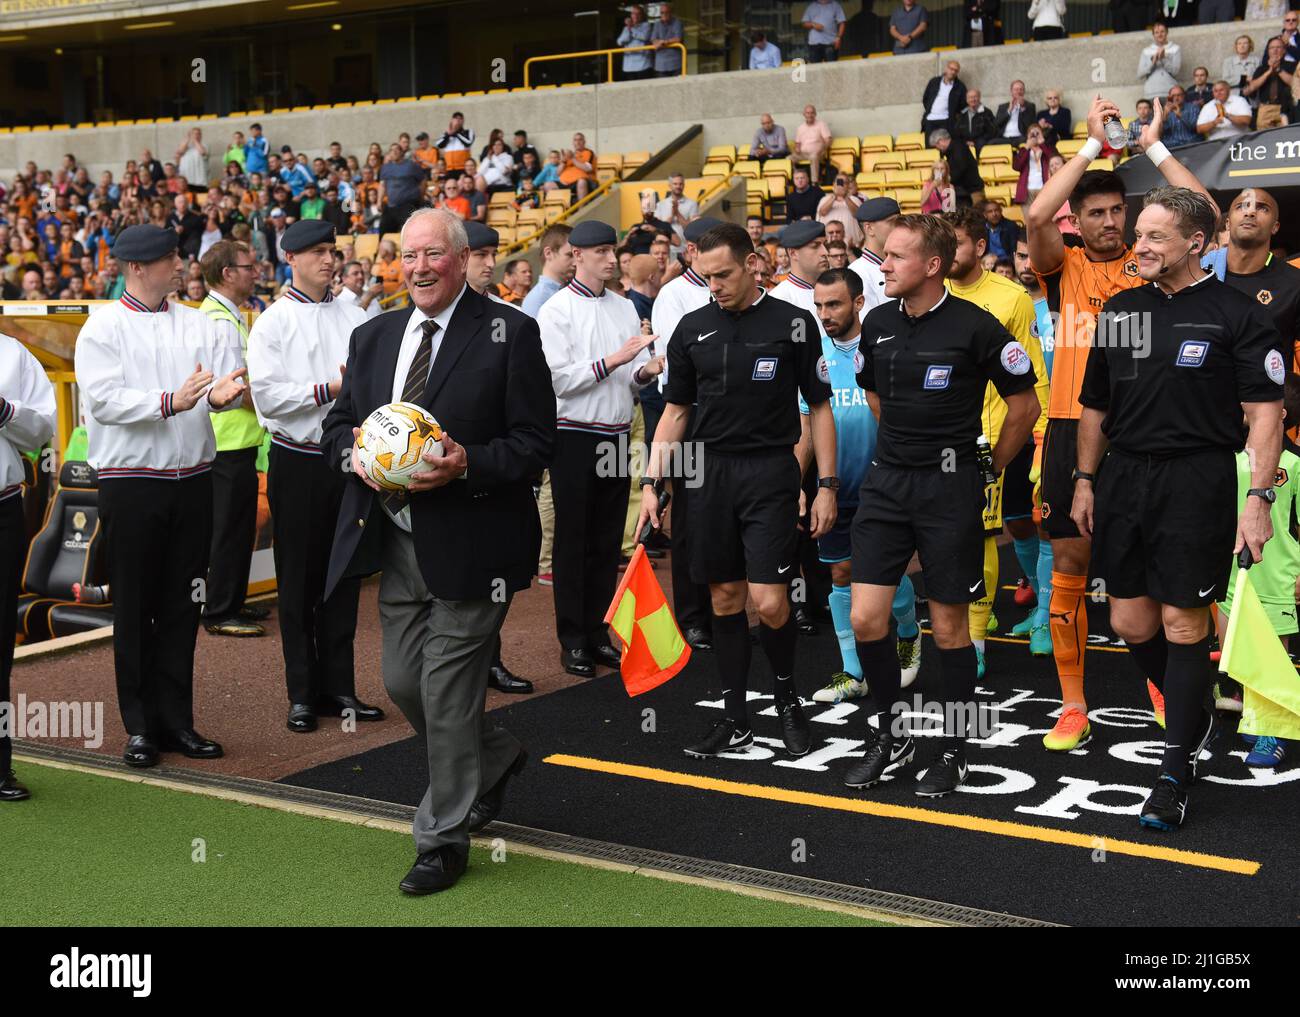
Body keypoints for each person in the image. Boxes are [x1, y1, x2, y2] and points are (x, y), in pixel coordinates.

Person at [322, 208, 554, 894]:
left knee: (447, 692)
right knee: (401, 681)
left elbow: (536, 442)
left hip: (477, 546)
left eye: (433, 255)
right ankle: (497, 753)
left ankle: (441, 839)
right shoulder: (373, 336)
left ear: (461, 259)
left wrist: (467, 463)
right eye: (408, 256)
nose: (419, 267)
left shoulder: (511, 332)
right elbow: (340, 424)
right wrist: (353, 457)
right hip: (397, 540)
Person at [1071, 186, 1283, 830]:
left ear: (1196, 243)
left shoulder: (1237, 312)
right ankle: (1192, 713)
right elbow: (1096, 406)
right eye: (1140, 234)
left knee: (1186, 624)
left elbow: (1266, 412)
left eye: (1156, 236)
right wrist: (1085, 480)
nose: (1141, 245)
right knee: (1134, 624)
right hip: (1124, 478)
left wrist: (1259, 497)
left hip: (1198, 480)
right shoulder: (1122, 310)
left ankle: (1173, 769)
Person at [1027, 94, 1215, 751]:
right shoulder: (1064, 268)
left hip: (1138, 437)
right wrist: (1089, 148)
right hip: (1066, 428)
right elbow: (1035, 213)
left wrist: (1153, 145)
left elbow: (1205, 215)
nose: (1109, 221)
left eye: (1117, 211)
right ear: (1077, 220)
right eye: (1096, 213)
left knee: (1152, 572)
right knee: (1069, 567)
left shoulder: (1151, 267)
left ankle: (1161, 684)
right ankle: (1073, 704)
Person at [844, 214, 1040, 794]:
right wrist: (901, 446)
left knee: (951, 628)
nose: (883, 266)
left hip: (949, 489)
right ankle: (891, 735)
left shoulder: (977, 327)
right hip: (885, 485)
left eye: (896, 258)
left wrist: (992, 467)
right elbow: (875, 393)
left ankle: (953, 750)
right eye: (884, 257)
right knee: (865, 618)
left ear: (931, 266)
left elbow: (1024, 407)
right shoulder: (876, 321)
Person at [637, 222, 838, 759]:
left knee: (771, 602)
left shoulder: (794, 322)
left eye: (723, 274)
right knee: (724, 599)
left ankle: (789, 702)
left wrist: (825, 485)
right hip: (707, 476)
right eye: (706, 277)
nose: (715, 286)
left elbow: (819, 406)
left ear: (752, 264)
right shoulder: (691, 328)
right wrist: (652, 482)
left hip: (771, 473)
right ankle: (735, 716)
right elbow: (675, 412)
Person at [74, 224, 248, 768]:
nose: (180, 264)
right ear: (135, 268)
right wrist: (172, 400)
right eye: (169, 258)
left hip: (192, 478)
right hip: (132, 480)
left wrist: (219, 398)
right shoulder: (102, 328)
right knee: (134, 604)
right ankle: (141, 726)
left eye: (176, 255)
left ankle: (177, 721)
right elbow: (104, 401)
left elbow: (212, 393)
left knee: (182, 603)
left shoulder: (196, 322)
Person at [247, 220, 382, 735]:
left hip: (347, 458)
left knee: (344, 576)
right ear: (291, 259)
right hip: (298, 459)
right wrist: (329, 389)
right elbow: (269, 397)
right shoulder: (273, 322)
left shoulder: (353, 312)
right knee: (300, 578)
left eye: (332, 250)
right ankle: (302, 693)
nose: (329, 260)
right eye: (318, 253)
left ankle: (340, 688)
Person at [538, 221, 663, 677]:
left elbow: (625, 381)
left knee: (606, 540)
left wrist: (645, 371)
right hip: (572, 436)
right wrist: (618, 359)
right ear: (576, 255)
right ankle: (572, 639)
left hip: (613, 431)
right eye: (603, 252)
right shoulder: (555, 311)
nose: (612, 260)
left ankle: (596, 632)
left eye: (613, 251)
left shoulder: (624, 306)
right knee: (573, 541)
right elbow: (558, 380)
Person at [800, 269, 925, 705]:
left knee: (881, 573)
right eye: (818, 306)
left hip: (882, 484)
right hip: (833, 487)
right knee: (840, 572)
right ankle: (853, 672)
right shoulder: (814, 356)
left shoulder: (882, 348)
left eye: (833, 304)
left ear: (857, 303)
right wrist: (799, 482)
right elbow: (805, 426)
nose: (824, 314)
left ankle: (909, 634)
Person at [943, 206, 1050, 677]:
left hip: (998, 434)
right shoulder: (929, 292)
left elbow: (1035, 375)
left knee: (998, 531)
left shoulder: (1011, 299)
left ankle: (982, 636)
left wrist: (1043, 438)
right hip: (943, 436)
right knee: (1001, 527)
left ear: (981, 248)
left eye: (956, 244)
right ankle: (1025, 598)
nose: (944, 255)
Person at [1213, 375, 1300, 762]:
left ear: (1279, 413)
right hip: (1230, 574)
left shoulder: (1295, 464)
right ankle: (1255, 712)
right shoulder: (1227, 457)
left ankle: (1273, 731)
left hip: (1277, 576)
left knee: (1274, 656)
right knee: (1237, 651)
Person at [649, 217, 720, 654]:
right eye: (703, 249)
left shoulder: (730, 289)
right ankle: (693, 617)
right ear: (690, 251)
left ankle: (724, 607)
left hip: (730, 415)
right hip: (689, 413)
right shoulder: (674, 294)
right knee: (691, 517)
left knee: (723, 514)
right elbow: (679, 364)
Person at [198, 240, 267, 639]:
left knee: (237, 528)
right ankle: (221, 609)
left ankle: (231, 600)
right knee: (228, 529)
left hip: (233, 443)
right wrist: (272, 406)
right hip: (229, 444)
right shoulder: (222, 323)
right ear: (227, 273)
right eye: (248, 266)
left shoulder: (223, 315)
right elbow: (235, 391)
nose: (255, 272)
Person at [0, 331, 57, 800]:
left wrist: (3, 411)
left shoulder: (12, 353)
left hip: (1, 508)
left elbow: (41, 430)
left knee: (0, 639)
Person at [1208, 189, 1300, 371]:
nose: (1249, 212)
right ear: (1227, 223)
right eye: (1241, 206)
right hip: (1205, 395)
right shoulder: (1200, 272)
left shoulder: (1294, 282)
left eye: (1262, 208)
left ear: (1275, 226)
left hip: (1266, 396)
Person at [850, 196, 900, 317]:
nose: (899, 227)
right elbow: (870, 325)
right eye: (892, 222)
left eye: (900, 221)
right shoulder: (856, 273)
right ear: (869, 228)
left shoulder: (903, 263)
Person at [522, 223, 575, 317]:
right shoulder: (537, 299)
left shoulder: (571, 290)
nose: (575, 262)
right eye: (569, 255)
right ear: (548, 253)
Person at [1244, 36, 1295, 128]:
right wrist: (1269, 71)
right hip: (1265, 108)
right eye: (1272, 48)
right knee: (1265, 138)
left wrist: (1278, 70)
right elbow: (1251, 88)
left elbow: (1295, 84)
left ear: (1284, 50)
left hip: (1286, 108)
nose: (1275, 50)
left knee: (1287, 137)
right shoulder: (1261, 69)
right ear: (1268, 51)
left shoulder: (1291, 66)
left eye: (1278, 47)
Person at [928, 128, 983, 208]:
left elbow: (959, 169)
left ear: (940, 141)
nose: (937, 149)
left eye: (936, 146)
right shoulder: (954, 149)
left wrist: (945, 180)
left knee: (977, 214)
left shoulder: (958, 148)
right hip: (964, 191)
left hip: (972, 191)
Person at [921, 60, 967, 139]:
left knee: (945, 148)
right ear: (946, 69)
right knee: (930, 148)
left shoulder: (960, 87)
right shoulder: (934, 82)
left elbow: (964, 105)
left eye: (955, 70)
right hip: (930, 120)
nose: (953, 72)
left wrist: (954, 115)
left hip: (946, 121)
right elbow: (925, 99)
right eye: (951, 69)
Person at [1013, 125, 1056, 207]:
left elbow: (1053, 159)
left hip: (1044, 189)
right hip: (1027, 191)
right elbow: (1016, 166)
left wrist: (1042, 143)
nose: (1035, 135)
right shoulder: (1024, 150)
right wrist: (1026, 147)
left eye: (1037, 133)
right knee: (1028, 218)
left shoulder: (1048, 148)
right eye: (1032, 133)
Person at [793, 105, 833, 186]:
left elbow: (828, 140)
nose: (810, 115)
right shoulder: (800, 128)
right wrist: (797, 148)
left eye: (812, 113)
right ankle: (796, 181)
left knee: (813, 156)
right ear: (804, 114)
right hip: (803, 154)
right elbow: (797, 143)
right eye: (807, 113)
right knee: (789, 159)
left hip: (818, 153)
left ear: (815, 114)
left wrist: (823, 148)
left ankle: (814, 183)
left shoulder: (821, 124)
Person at [654, 173, 700, 240]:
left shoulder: (692, 204)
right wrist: (672, 215)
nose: (678, 186)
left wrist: (677, 213)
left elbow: (692, 229)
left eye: (680, 184)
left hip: (685, 247)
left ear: (684, 185)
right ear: (670, 185)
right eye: (675, 184)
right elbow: (658, 229)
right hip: (666, 247)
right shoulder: (660, 204)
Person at [617, 4, 654, 80]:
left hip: (643, 65)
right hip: (628, 67)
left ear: (642, 15)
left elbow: (645, 37)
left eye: (638, 13)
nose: (636, 16)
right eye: (634, 13)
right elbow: (619, 42)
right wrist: (629, 29)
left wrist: (631, 28)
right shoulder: (626, 28)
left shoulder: (646, 25)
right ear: (631, 15)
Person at [995, 80, 1036, 146]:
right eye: (1016, 89)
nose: (1019, 92)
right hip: (1004, 138)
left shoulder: (1030, 106)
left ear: (1024, 92)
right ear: (1011, 92)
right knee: (991, 143)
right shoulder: (1002, 107)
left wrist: (1022, 108)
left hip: (1021, 137)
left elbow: (1030, 125)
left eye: (1021, 89)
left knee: (1029, 140)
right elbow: (997, 123)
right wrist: (1009, 110)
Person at [650, 2, 684, 76]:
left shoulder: (677, 22)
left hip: (675, 64)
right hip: (660, 65)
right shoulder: (657, 24)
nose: (664, 14)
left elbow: (678, 39)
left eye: (666, 12)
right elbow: (653, 40)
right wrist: (657, 42)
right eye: (662, 12)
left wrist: (664, 42)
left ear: (671, 13)